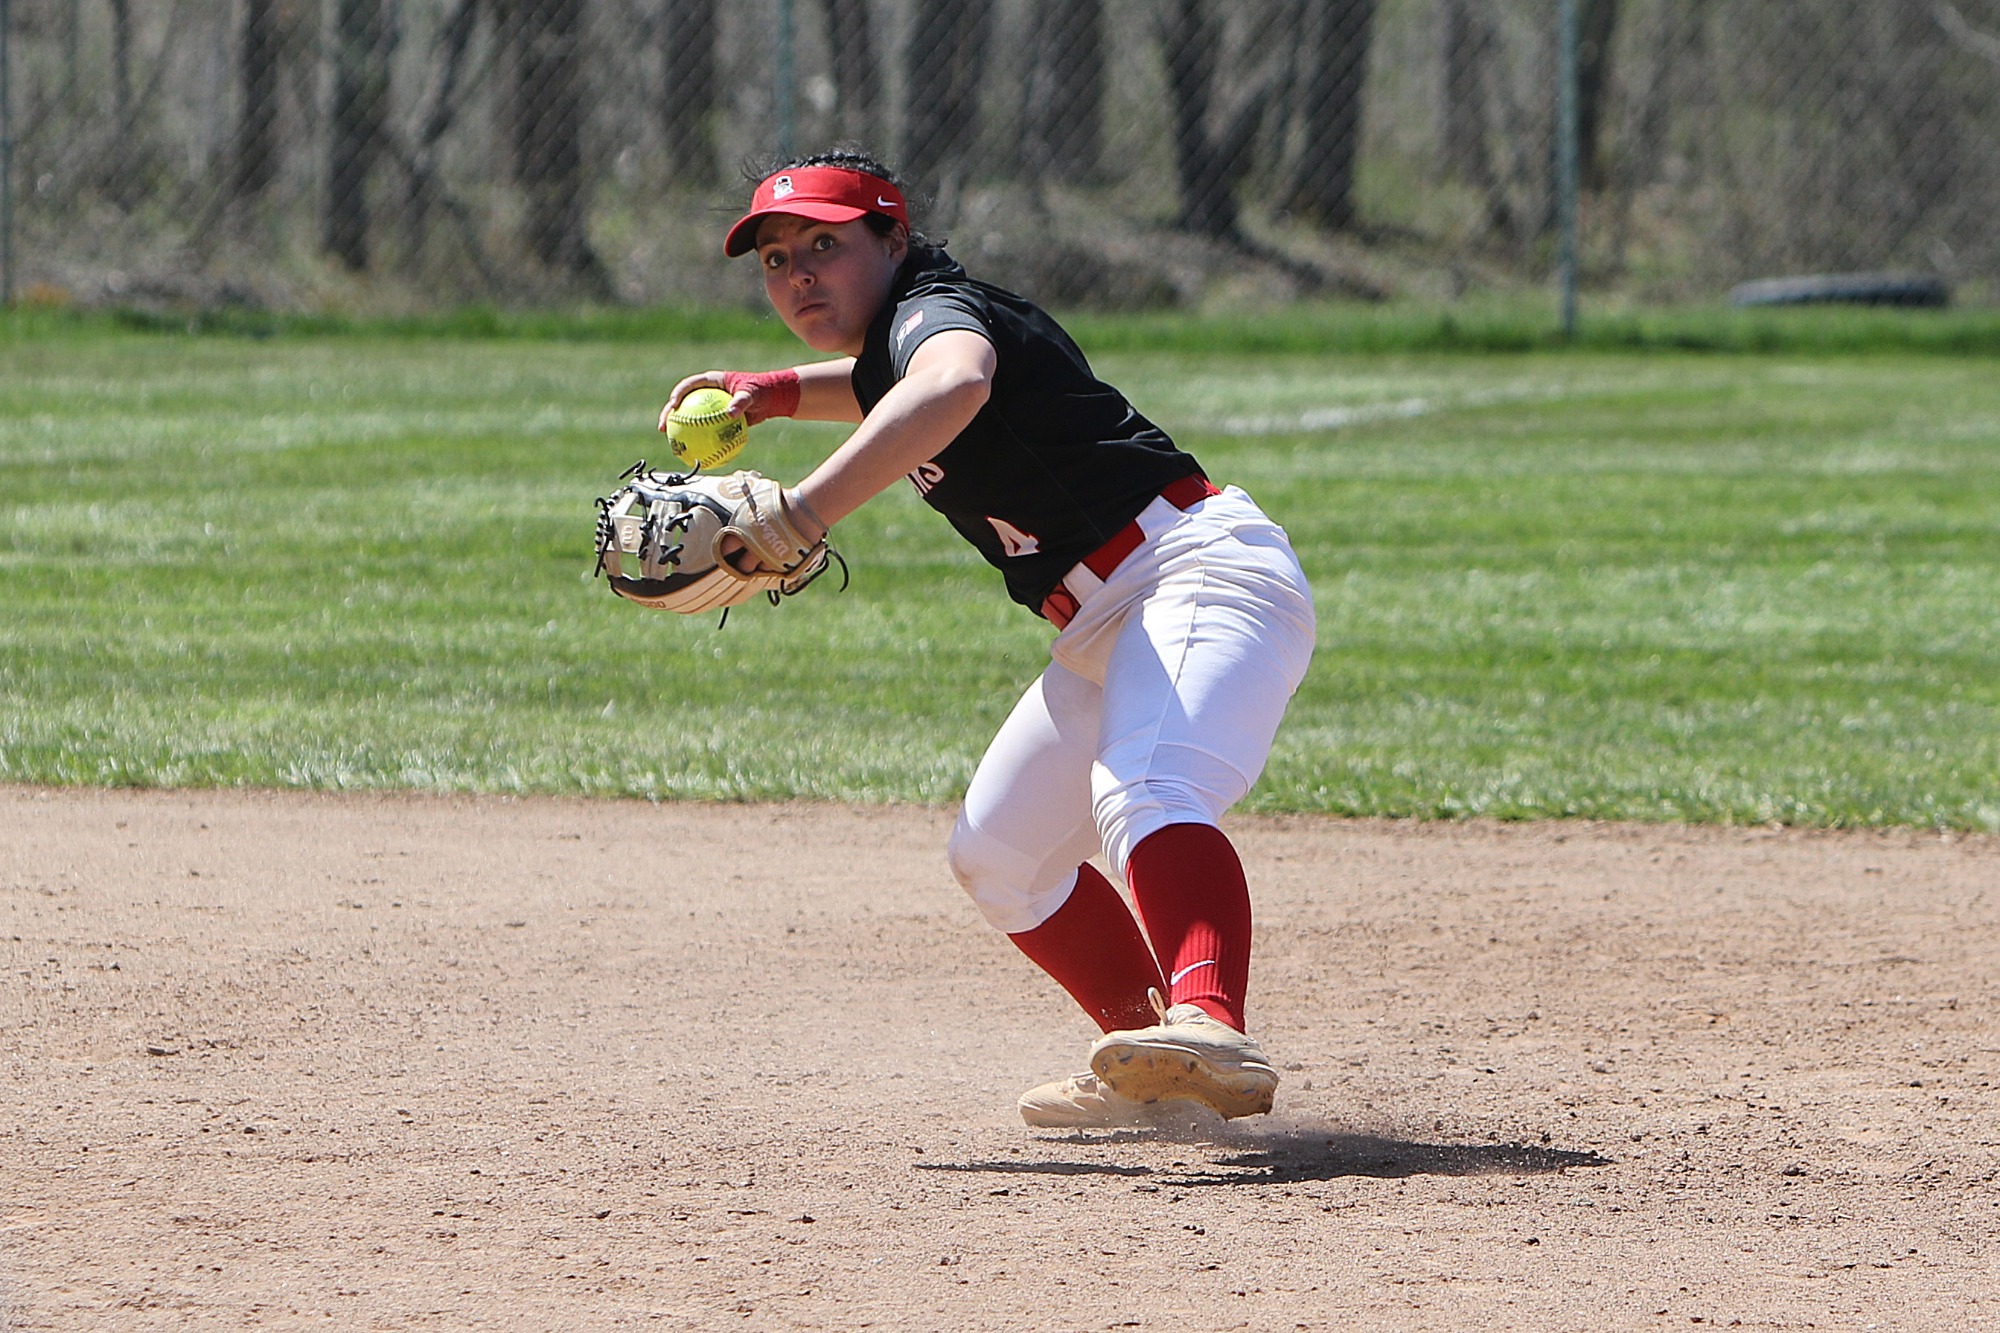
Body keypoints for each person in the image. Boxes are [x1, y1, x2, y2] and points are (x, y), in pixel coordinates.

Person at [662, 150, 1316, 1129]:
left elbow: (954, 381)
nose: (797, 275)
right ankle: (1157, 1071)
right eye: (775, 260)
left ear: (894, 238)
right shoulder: (904, 334)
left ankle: (1210, 1023)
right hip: (1105, 617)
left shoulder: (936, 311)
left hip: (1192, 571)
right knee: (999, 853)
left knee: (1146, 787)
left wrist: (803, 510)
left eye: (823, 246)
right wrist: (778, 391)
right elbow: (892, 381)